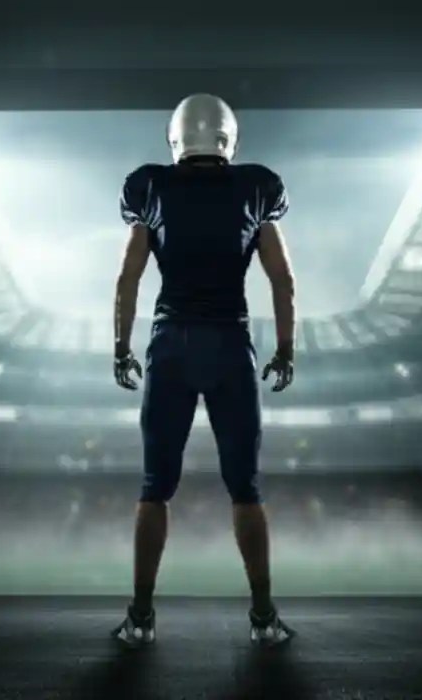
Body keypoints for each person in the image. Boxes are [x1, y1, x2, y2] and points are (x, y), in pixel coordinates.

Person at [109, 93, 298, 648]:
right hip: (228, 344)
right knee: (245, 488)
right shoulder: (254, 188)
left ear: (176, 137)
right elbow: (282, 280)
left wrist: (121, 347)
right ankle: (264, 619)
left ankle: (140, 618)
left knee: (154, 488)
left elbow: (128, 279)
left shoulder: (153, 188)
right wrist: (286, 350)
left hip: (170, 345)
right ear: (227, 138)